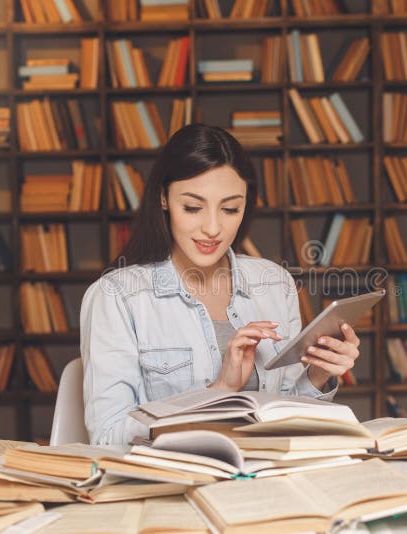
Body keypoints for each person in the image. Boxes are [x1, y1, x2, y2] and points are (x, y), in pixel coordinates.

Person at [80, 124, 361, 446]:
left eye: (230, 209)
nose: (212, 228)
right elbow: (107, 437)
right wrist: (220, 391)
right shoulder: (116, 297)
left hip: (265, 474)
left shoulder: (274, 282)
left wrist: (319, 372)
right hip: (176, 481)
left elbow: (286, 410)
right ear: (163, 199)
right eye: (193, 207)